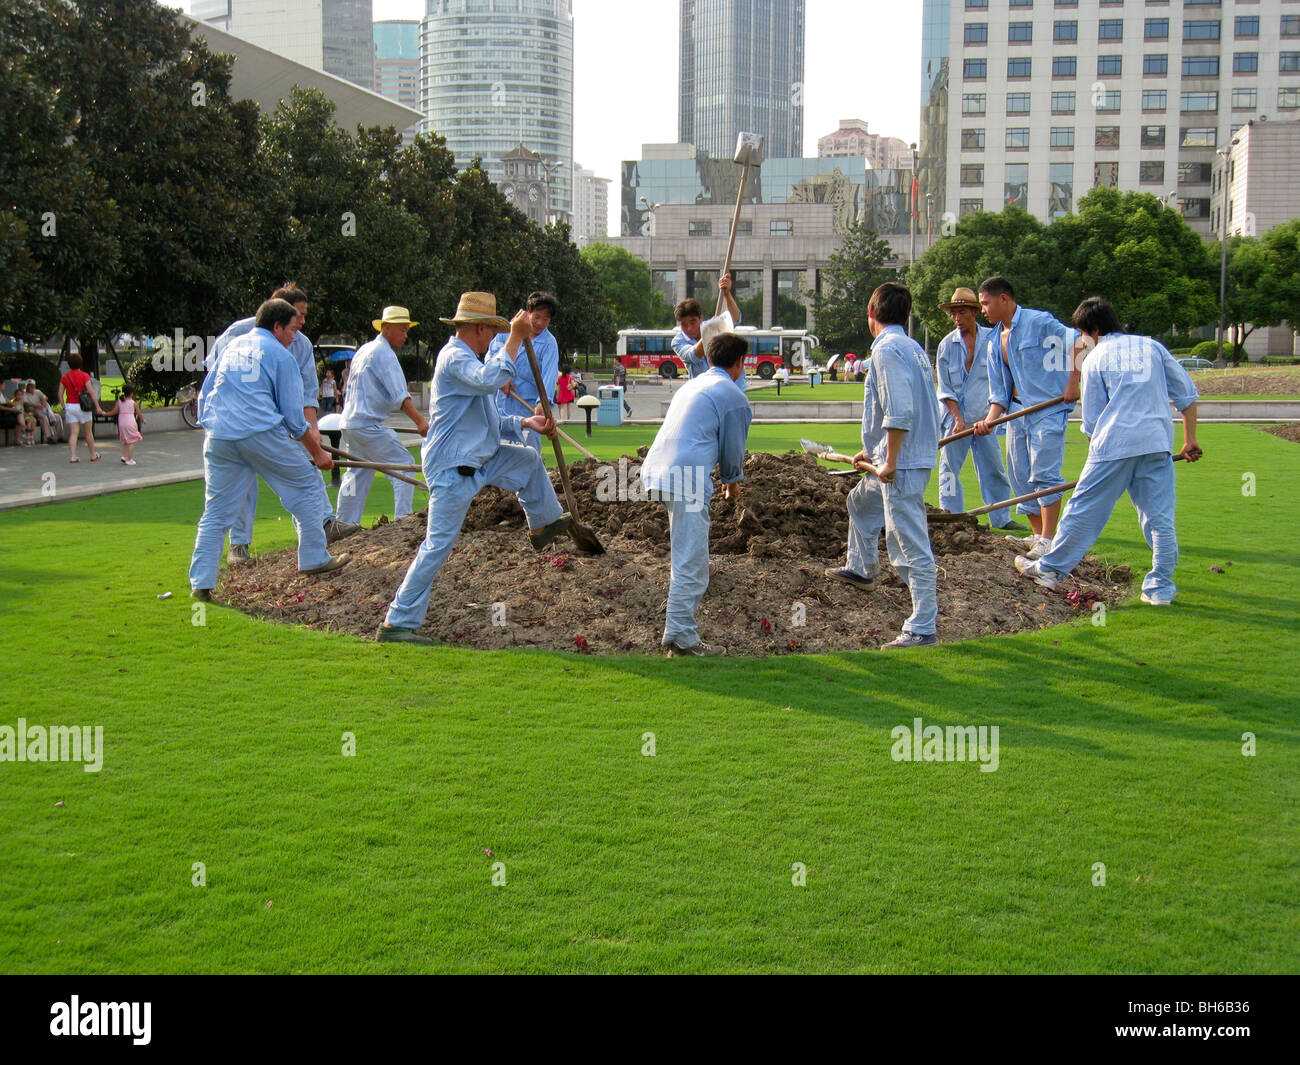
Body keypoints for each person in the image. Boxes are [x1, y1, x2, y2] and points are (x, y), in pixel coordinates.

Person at [376, 293, 572, 645]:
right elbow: (489, 381)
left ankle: (542, 523)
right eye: (492, 332)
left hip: (480, 458)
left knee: (527, 458)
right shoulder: (454, 359)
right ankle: (397, 622)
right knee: (437, 546)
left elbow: (491, 420)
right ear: (480, 329)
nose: (493, 339)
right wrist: (514, 337)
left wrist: (526, 422)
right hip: (454, 467)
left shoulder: (470, 359)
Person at [1015, 297, 1201, 605]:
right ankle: (1160, 589)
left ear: (1094, 330)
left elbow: (1092, 422)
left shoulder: (1096, 358)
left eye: (1083, 335)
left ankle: (1048, 571)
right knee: (1159, 519)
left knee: (1083, 509)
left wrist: (1096, 465)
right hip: (1156, 444)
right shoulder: (1152, 347)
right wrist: (1190, 439)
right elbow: (1187, 395)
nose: (1082, 342)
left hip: (1112, 444)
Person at [188, 299, 348, 599]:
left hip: (219, 435)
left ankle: (201, 583)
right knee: (307, 486)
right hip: (260, 432)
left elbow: (206, 392)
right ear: (276, 326)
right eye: (290, 329)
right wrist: (318, 454)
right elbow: (293, 419)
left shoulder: (232, 347)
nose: (294, 336)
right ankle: (314, 558)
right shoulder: (281, 355)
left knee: (216, 511)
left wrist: (211, 425)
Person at [824, 282, 940, 649]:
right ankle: (861, 568)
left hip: (901, 463)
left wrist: (888, 460)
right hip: (901, 457)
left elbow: (899, 410)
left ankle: (922, 627)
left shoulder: (887, 351)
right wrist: (871, 453)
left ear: (871, 313)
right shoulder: (912, 347)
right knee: (859, 503)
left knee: (907, 543)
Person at [640, 332, 753, 657]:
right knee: (690, 560)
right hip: (686, 476)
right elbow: (733, 449)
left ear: (710, 357)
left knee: (689, 552)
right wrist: (732, 481)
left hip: (656, 470)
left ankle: (683, 624)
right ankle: (681, 637)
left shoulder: (693, 385)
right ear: (740, 363)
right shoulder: (733, 395)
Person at [972, 276, 1083, 557]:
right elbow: (999, 392)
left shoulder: (1039, 322)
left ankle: (1048, 539)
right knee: (1021, 476)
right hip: (1017, 414)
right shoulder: (994, 340)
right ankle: (1037, 536)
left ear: (1004, 299)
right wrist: (989, 419)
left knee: (1045, 474)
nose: (982, 309)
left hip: (1047, 409)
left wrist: (1073, 383)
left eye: (985, 303)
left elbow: (1080, 343)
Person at [934, 287, 1024, 532]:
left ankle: (1001, 517)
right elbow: (945, 389)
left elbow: (1002, 381)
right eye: (953, 313)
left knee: (993, 467)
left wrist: (990, 417)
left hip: (986, 419)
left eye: (961, 312)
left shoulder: (993, 340)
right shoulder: (946, 346)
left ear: (974, 312)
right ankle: (951, 516)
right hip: (955, 421)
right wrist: (957, 418)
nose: (957, 318)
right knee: (949, 471)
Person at [336, 306, 430, 527]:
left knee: (356, 473)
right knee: (404, 465)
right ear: (386, 327)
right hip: (368, 424)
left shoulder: (365, 350)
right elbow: (401, 396)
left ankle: (344, 523)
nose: (405, 335)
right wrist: (421, 421)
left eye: (407, 330)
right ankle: (402, 521)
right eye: (402, 330)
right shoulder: (384, 354)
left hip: (350, 423)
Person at [490, 291, 559, 450]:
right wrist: (501, 377)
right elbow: (492, 358)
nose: (540, 323)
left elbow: (550, 375)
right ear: (528, 312)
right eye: (537, 316)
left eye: (545, 319)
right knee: (495, 454)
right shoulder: (508, 331)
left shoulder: (549, 343)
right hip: (499, 405)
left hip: (527, 409)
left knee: (527, 454)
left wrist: (543, 401)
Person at [672, 275, 743, 381]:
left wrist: (727, 295)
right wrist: (710, 332)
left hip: (731, 386)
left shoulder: (713, 327)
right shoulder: (678, 341)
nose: (689, 328)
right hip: (704, 391)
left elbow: (735, 318)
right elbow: (693, 355)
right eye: (683, 324)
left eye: (693, 322)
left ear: (701, 318)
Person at [59, 353, 105, 462]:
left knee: (74, 432)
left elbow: (60, 394)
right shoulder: (84, 376)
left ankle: (73, 456)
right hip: (84, 407)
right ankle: (93, 454)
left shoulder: (65, 377)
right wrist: (97, 406)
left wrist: (63, 406)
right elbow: (91, 392)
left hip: (70, 406)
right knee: (88, 432)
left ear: (69, 364)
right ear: (80, 363)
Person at [104, 384, 145, 465]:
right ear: (132, 393)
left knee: (126, 440)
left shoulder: (119, 402)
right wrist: (143, 420)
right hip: (130, 422)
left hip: (121, 422)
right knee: (131, 441)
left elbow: (114, 412)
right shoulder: (133, 403)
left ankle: (124, 456)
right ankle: (129, 459)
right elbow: (139, 413)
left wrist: (105, 413)